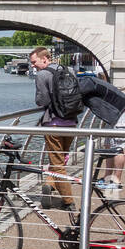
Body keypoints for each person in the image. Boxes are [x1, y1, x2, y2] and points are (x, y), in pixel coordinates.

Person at [29, 46, 79, 214]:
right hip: (71, 123)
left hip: (53, 124)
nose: (33, 66)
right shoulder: (70, 70)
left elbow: (41, 101)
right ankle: (49, 184)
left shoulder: (42, 75)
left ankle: (68, 201)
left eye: (34, 62)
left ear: (45, 58)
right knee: (59, 159)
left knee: (57, 164)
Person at [94, 105, 125, 194]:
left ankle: (116, 181)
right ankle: (108, 178)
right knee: (108, 145)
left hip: (120, 111)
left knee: (117, 147)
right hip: (112, 112)